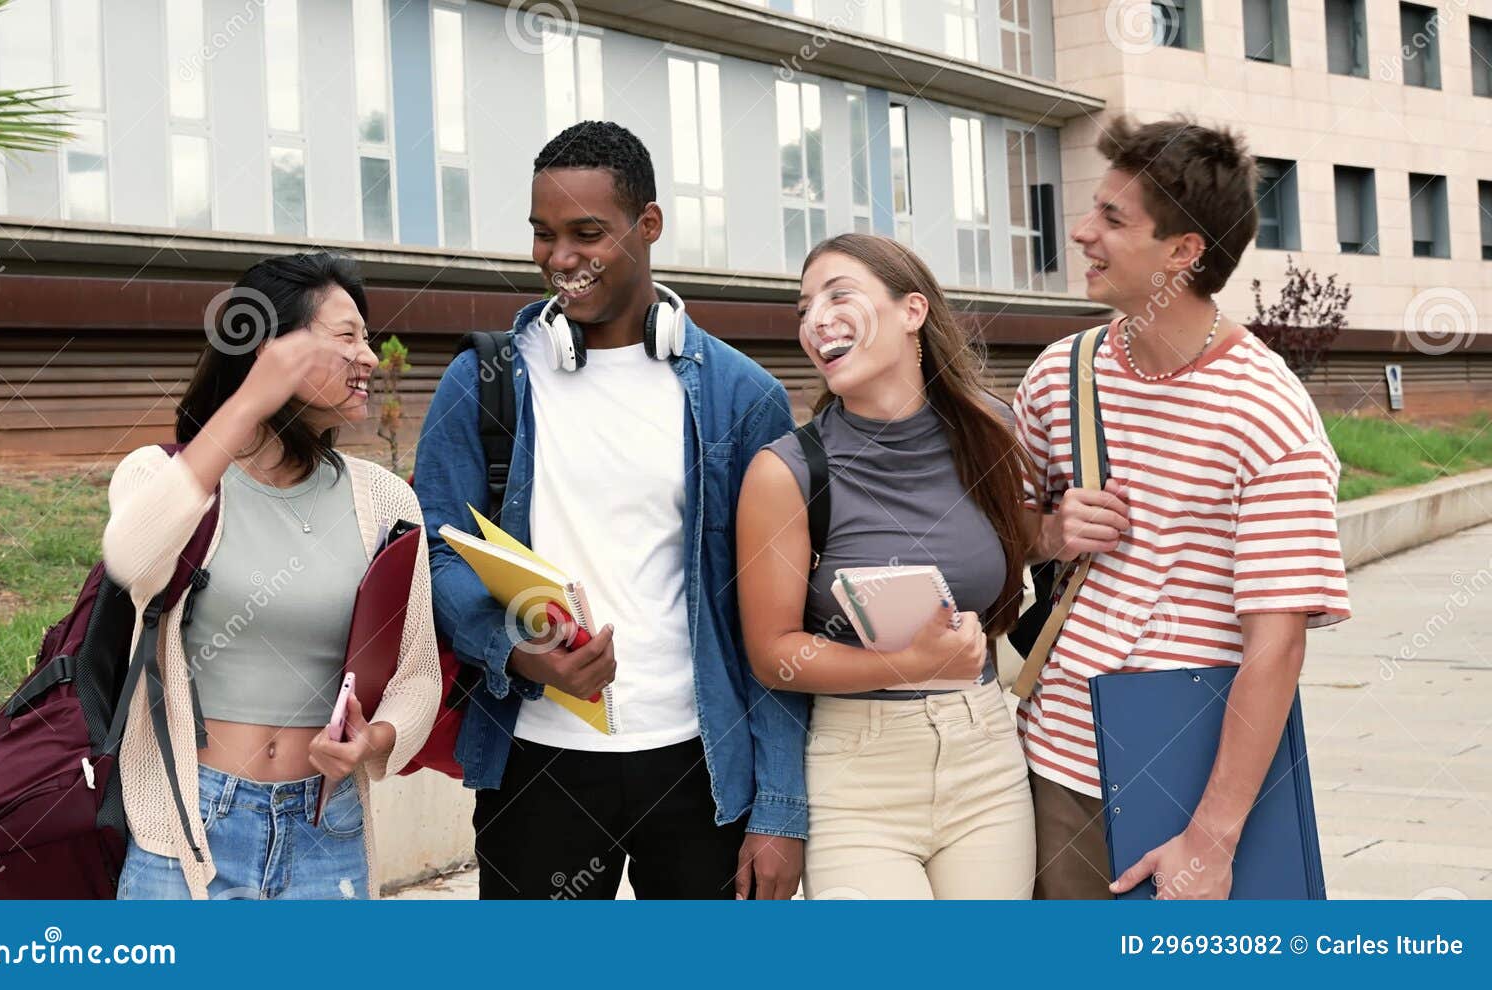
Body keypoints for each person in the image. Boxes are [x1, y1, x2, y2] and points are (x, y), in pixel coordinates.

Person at [413, 120, 808, 900]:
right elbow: (437, 550)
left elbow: (775, 621)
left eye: (586, 233)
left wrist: (782, 811)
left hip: (701, 765)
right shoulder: (486, 379)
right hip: (535, 760)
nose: (560, 258)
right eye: (543, 234)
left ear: (648, 225)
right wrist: (514, 650)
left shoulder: (744, 399)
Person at [1014, 116, 1351, 899]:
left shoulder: (1267, 413)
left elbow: (1276, 646)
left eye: (1112, 218)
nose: (1081, 232)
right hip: (1053, 759)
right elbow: (997, 536)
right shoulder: (1061, 375)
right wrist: (1048, 532)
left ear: (1183, 252)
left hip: (1186, 770)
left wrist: (1211, 837)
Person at [104, 252, 441, 899]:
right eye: (347, 337)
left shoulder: (385, 501)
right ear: (270, 349)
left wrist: (378, 737)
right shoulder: (163, 476)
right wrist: (250, 402)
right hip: (187, 827)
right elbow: (131, 559)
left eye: (367, 339)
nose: (368, 357)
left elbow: (418, 673)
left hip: (326, 828)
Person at [737, 233, 1035, 899]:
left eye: (839, 295)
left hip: (985, 754)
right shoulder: (785, 472)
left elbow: (1011, 546)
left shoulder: (992, 430)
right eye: (803, 308)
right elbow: (771, 654)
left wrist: (1058, 529)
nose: (815, 319)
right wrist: (912, 664)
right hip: (858, 776)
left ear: (912, 311)